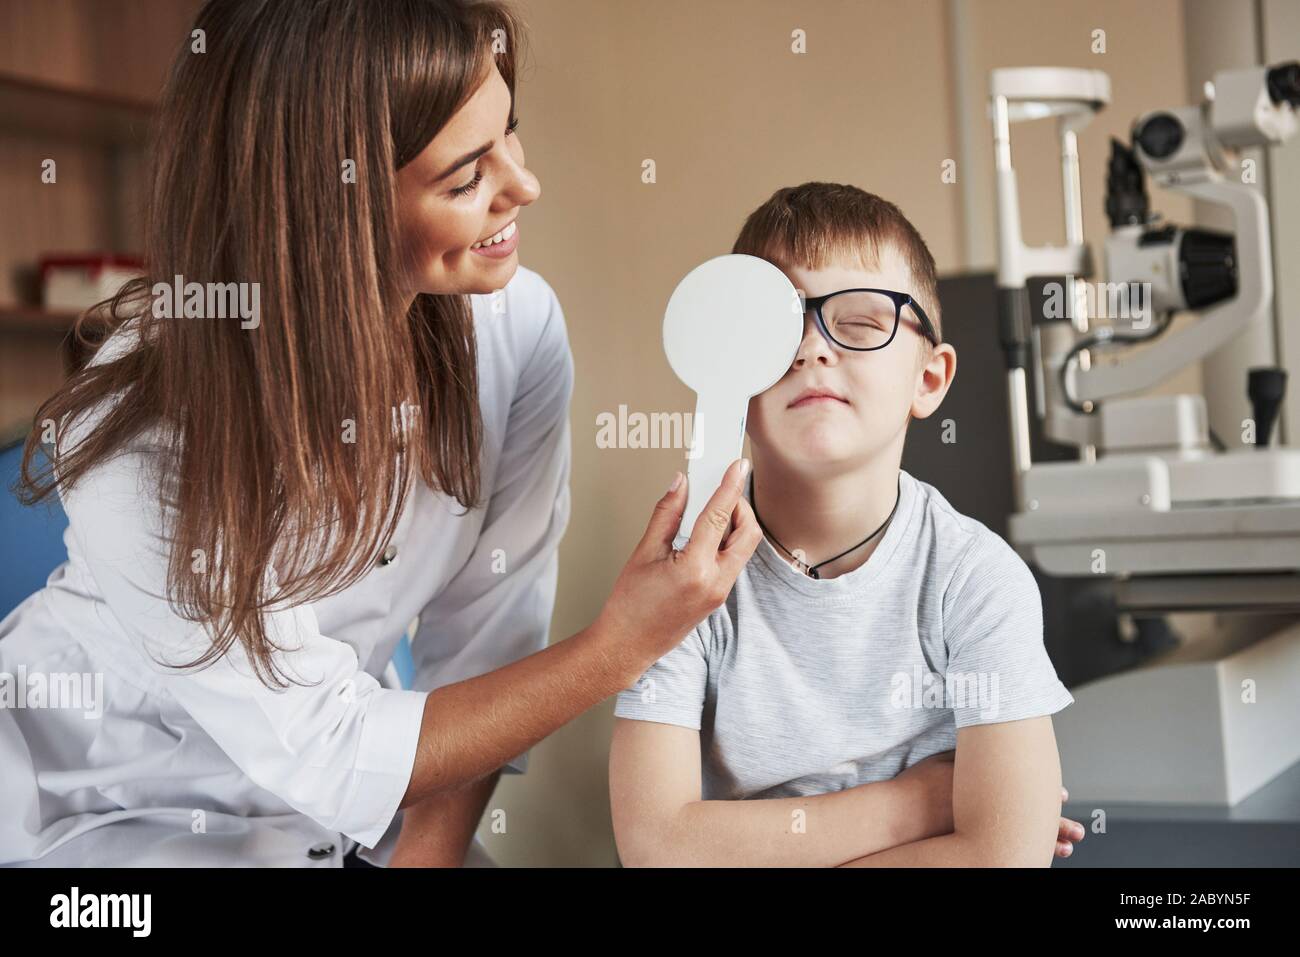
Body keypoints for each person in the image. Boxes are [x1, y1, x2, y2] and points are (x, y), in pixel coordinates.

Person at [0, 0, 761, 867]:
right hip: (106, 803)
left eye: (510, 134)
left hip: (358, 792)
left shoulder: (515, 331)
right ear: (332, 214)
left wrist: (424, 863)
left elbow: (486, 643)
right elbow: (325, 745)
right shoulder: (143, 421)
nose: (524, 185)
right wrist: (622, 644)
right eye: (466, 176)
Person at [610, 182, 1085, 866]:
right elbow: (656, 848)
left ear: (930, 378)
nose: (811, 347)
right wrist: (926, 801)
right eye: (774, 326)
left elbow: (1003, 857)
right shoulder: (685, 585)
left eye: (861, 323)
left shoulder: (977, 582)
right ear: (730, 378)